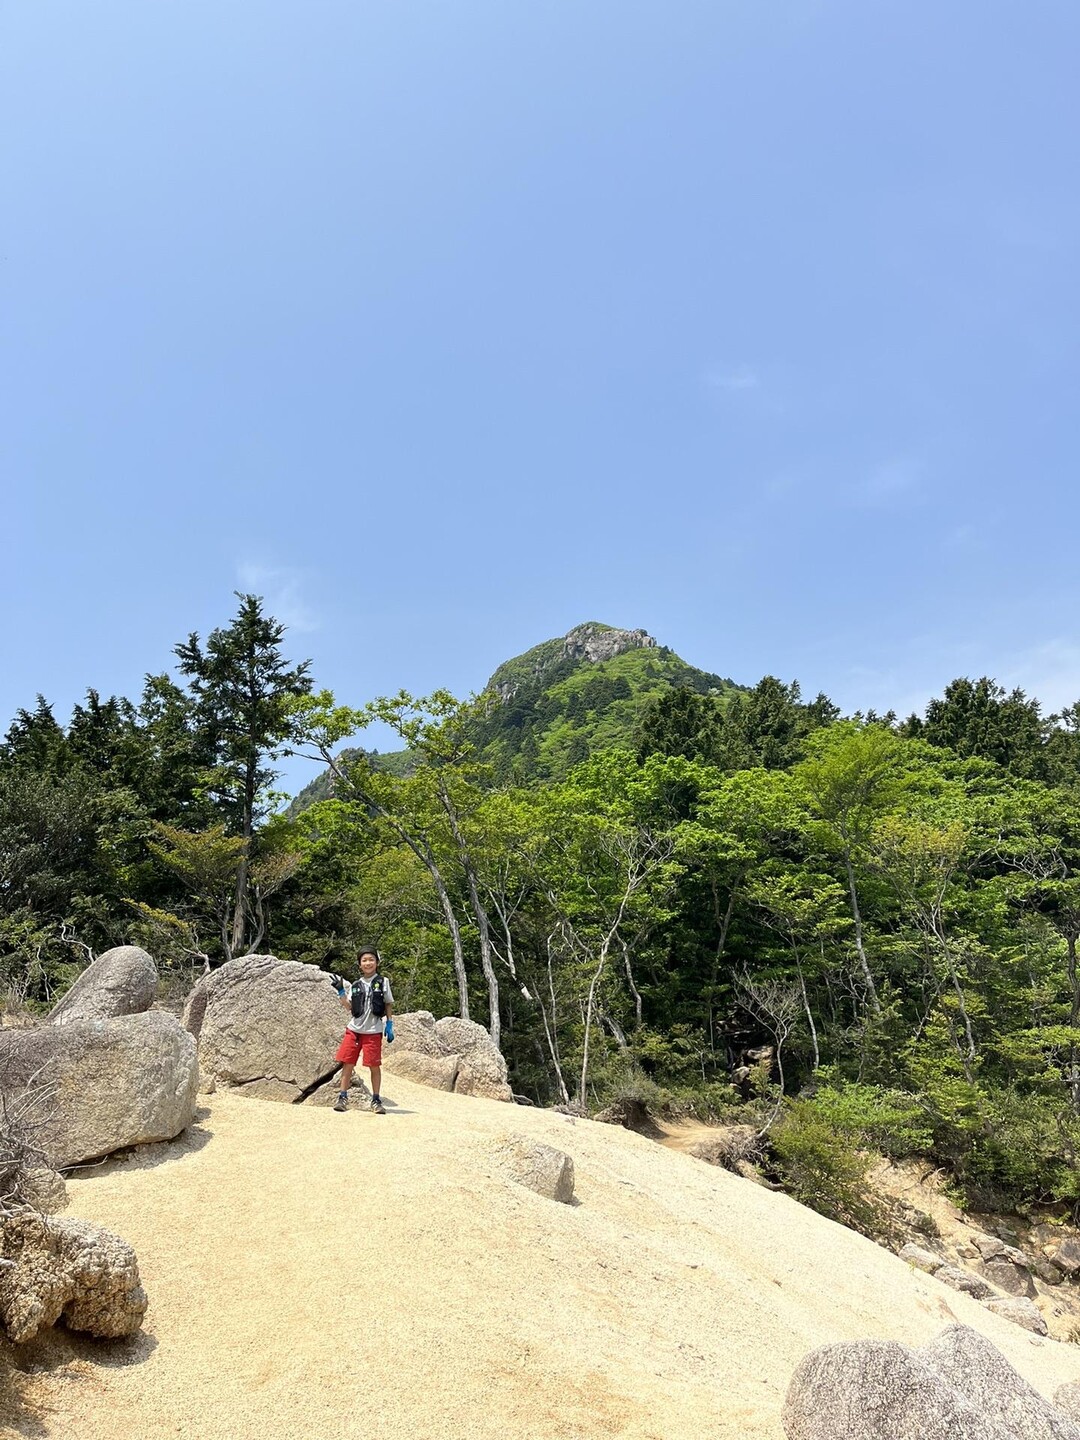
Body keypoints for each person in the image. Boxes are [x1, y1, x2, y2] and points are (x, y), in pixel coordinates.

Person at [331, 947, 395, 1114]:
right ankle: (343, 1097)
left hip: (373, 1030)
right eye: (364, 960)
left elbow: (388, 1003)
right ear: (360, 964)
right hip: (354, 1030)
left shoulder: (383, 982)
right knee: (348, 1063)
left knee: (374, 1065)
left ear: (377, 962)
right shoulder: (356, 984)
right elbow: (349, 1007)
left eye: (371, 959)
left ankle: (376, 1099)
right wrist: (341, 992)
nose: (368, 963)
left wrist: (389, 1023)